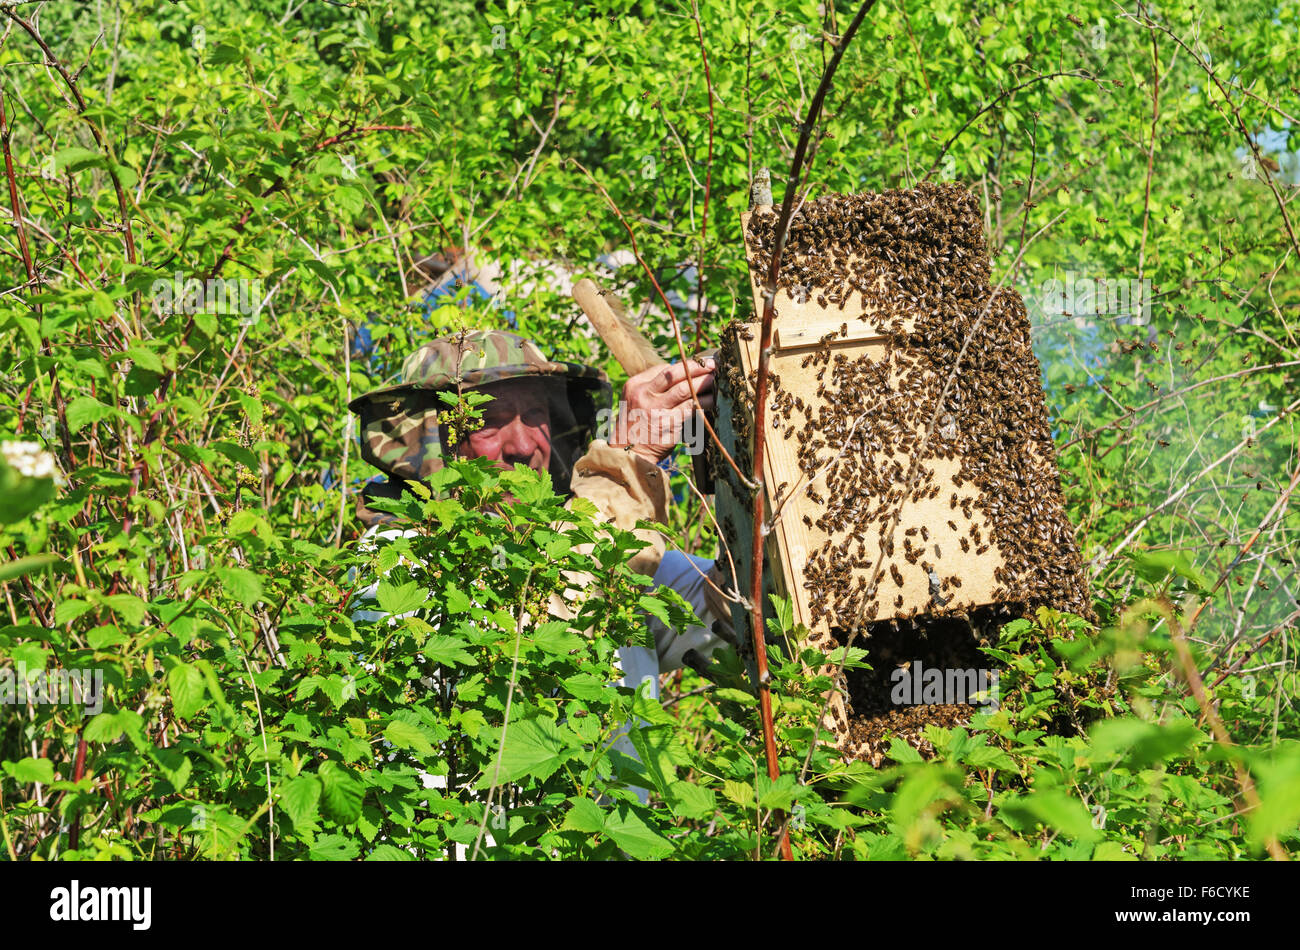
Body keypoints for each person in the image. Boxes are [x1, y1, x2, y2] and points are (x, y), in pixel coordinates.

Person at [347, 327, 732, 698]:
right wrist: (630, 460)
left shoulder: (575, 540)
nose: (522, 444)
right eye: (487, 423)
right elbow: (548, 634)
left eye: (534, 414)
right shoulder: (398, 560)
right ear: (430, 441)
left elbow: (735, 617)